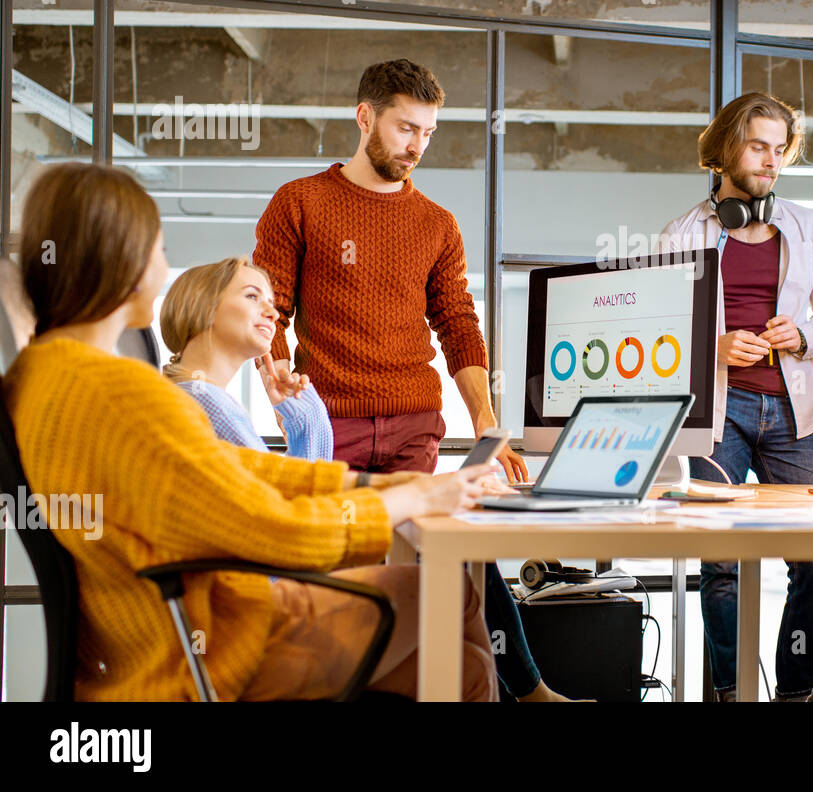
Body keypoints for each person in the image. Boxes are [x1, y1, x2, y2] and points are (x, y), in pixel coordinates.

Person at [3, 162, 500, 701]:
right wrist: (401, 502)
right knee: (450, 597)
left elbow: (244, 471)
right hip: (207, 650)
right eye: (159, 247)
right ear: (123, 257)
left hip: (152, 641)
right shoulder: (122, 393)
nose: (165, 263)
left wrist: (398, 488)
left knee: (466, 670)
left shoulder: (38, 377)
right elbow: (272, 527)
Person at [158, 255, 574, 701]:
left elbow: (289, 486)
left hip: (262, 603)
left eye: (271, 300)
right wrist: (411, 496)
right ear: (202, 308)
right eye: (251, 296)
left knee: (468, 666)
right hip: (254, 623)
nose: (272, 311)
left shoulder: (198, 395)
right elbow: (288, 521)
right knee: (452, 592)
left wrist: (306, 416)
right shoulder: (207, 405)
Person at [252, 57, 526, 482]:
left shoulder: (439, 224)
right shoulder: (299, 202)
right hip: (327, 422)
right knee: (330, 544)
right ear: (365, 117)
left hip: (415, 426)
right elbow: (268, 310)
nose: (417, 146)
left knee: (412, 545)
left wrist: (485, 421)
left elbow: (459, 326)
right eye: (405, 128)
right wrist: (285, 397)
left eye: (428, 132)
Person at [659, 91, 813, 701]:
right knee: (721, 565)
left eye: (778, 149)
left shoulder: (808, 224)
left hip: (793, 410)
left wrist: (803, 334)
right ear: (725, 152)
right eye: (757, 147)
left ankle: (795, 693)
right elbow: (657, 336)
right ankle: (730, 691)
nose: (770, 161)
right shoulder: (680, 233)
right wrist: (710, 346)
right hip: (720, 412)